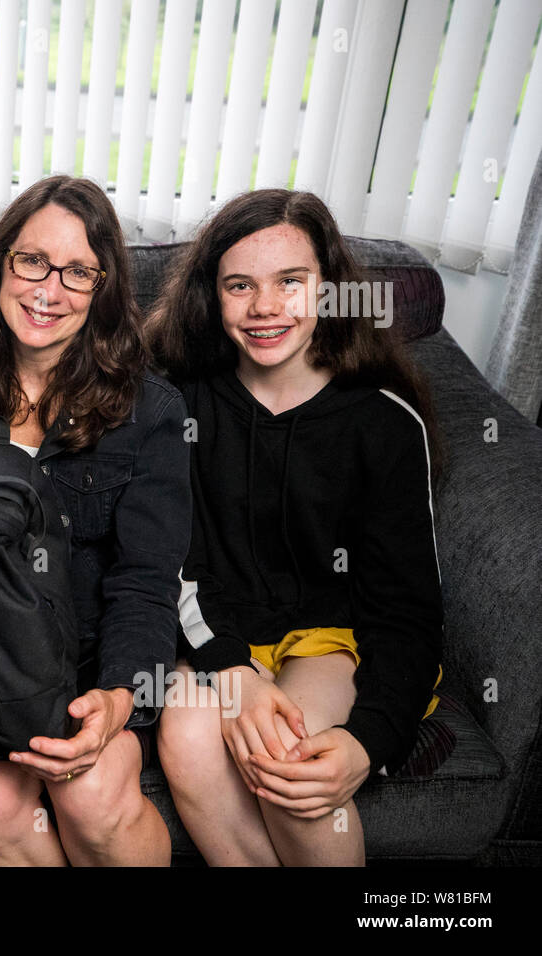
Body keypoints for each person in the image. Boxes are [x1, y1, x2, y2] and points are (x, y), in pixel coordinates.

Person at [148, 189, 443, 866]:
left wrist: (369, 743)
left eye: (291, 282)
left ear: (331, 292)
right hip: (212, 635)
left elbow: (408, 611)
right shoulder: (175, 405)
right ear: (212, 296)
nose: (265, 307)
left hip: (331, 641)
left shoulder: (385, 423)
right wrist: (232, 668)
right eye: (239, 285)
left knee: (289, 761)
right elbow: (162, 563)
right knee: (188, 736)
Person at [0, 175, 189, 865]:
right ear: (1, 261)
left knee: (91, 796)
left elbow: (147, 583)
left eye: (78, 272)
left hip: (91, 657)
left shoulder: (153, 411)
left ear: (103, 290)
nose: (49, 289)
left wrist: (118, 698)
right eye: (33, 260)